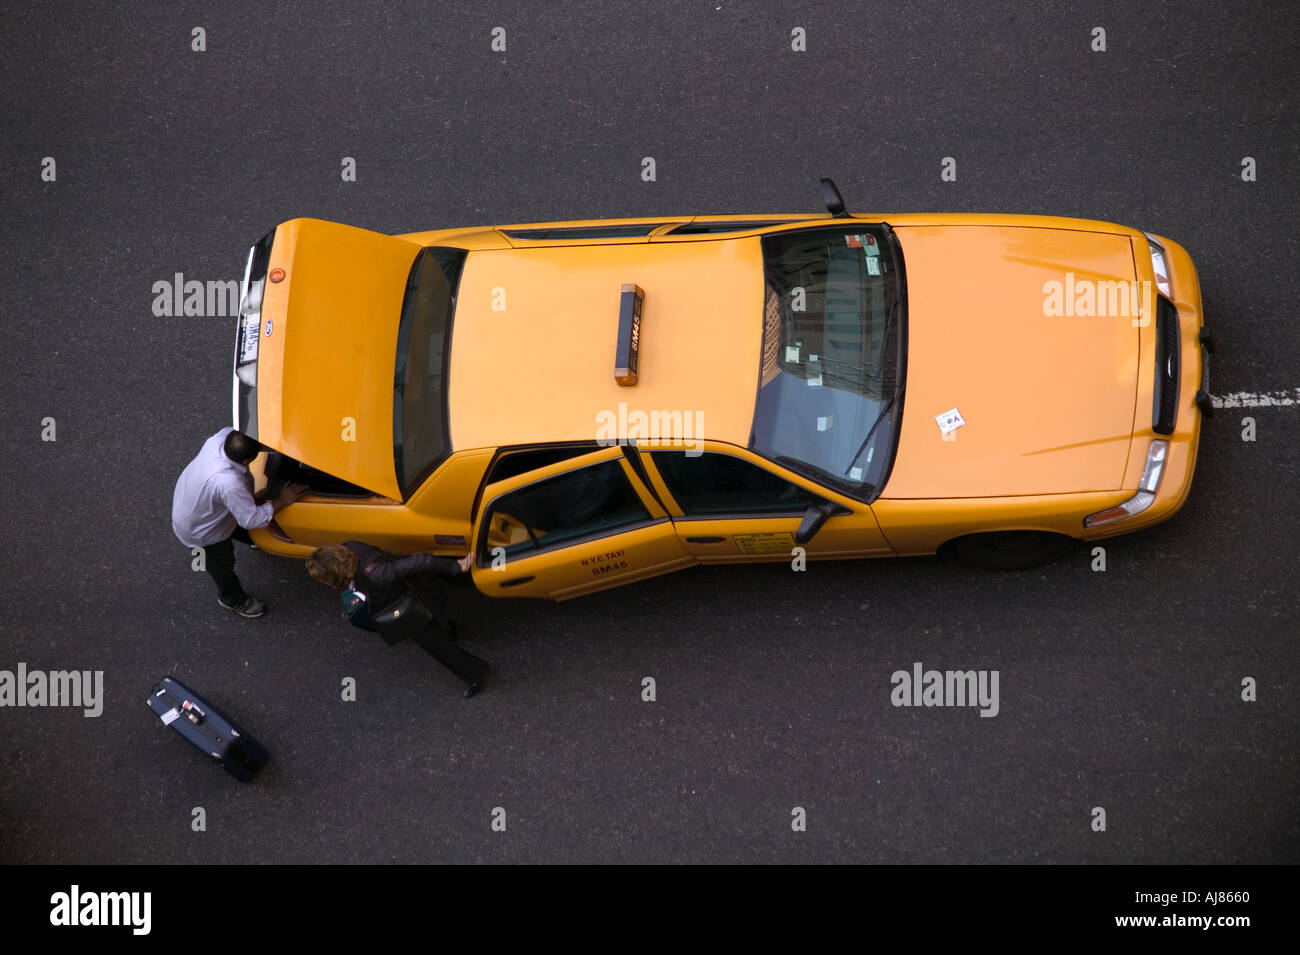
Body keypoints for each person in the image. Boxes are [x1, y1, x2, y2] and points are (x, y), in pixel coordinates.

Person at [306, 542, 490, 697]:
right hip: (417, 590)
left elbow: (422, 561)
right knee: (439, 624)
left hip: (409, 608)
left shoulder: (376, 575)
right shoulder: (351, 546)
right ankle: (450, 631)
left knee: (438, 647)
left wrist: (457, 567)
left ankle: (476, 675)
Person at [172, 427, 306, 617]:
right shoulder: (229, 484)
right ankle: (233, 600)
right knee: (222, 565)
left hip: (201, 507)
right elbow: (250, 519)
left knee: (239, 527)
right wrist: (282, 500)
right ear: (247, 460)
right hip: (202, 531)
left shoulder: (221, 438)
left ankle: (255, 541)